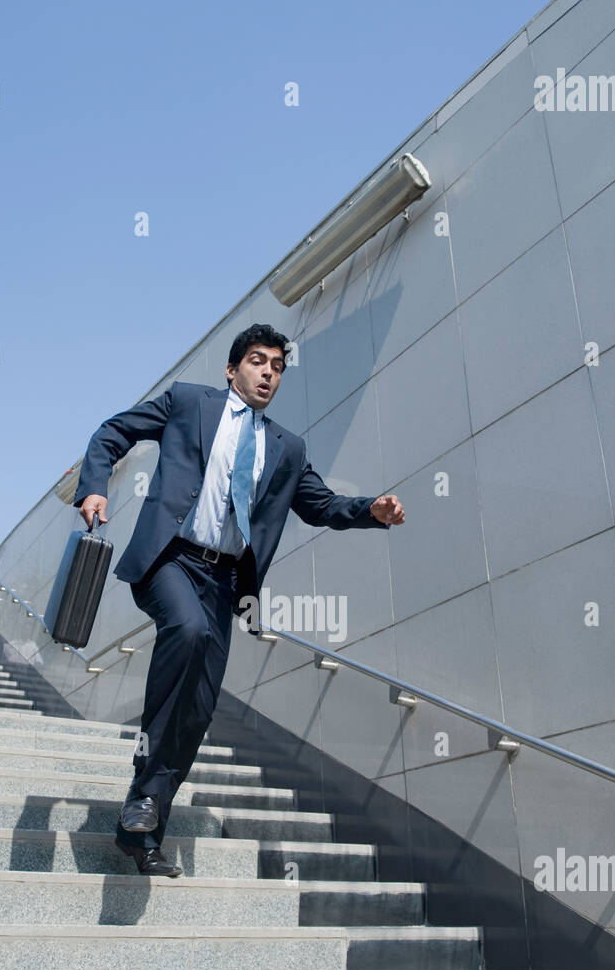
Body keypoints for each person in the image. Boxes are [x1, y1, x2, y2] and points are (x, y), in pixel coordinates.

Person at [74, 322, 405, 876]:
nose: (268, 373)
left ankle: (143, 828)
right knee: (189, 631)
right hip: (170, 559)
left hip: (225, 584)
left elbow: (320, 505)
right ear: (232, 369)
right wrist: (94, 484)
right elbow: (113, 432)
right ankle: (146, 787)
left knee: (200, 708)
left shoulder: (287, 448)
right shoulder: (188, 403)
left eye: (277, 366)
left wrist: (370, 510)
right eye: (258, 361)